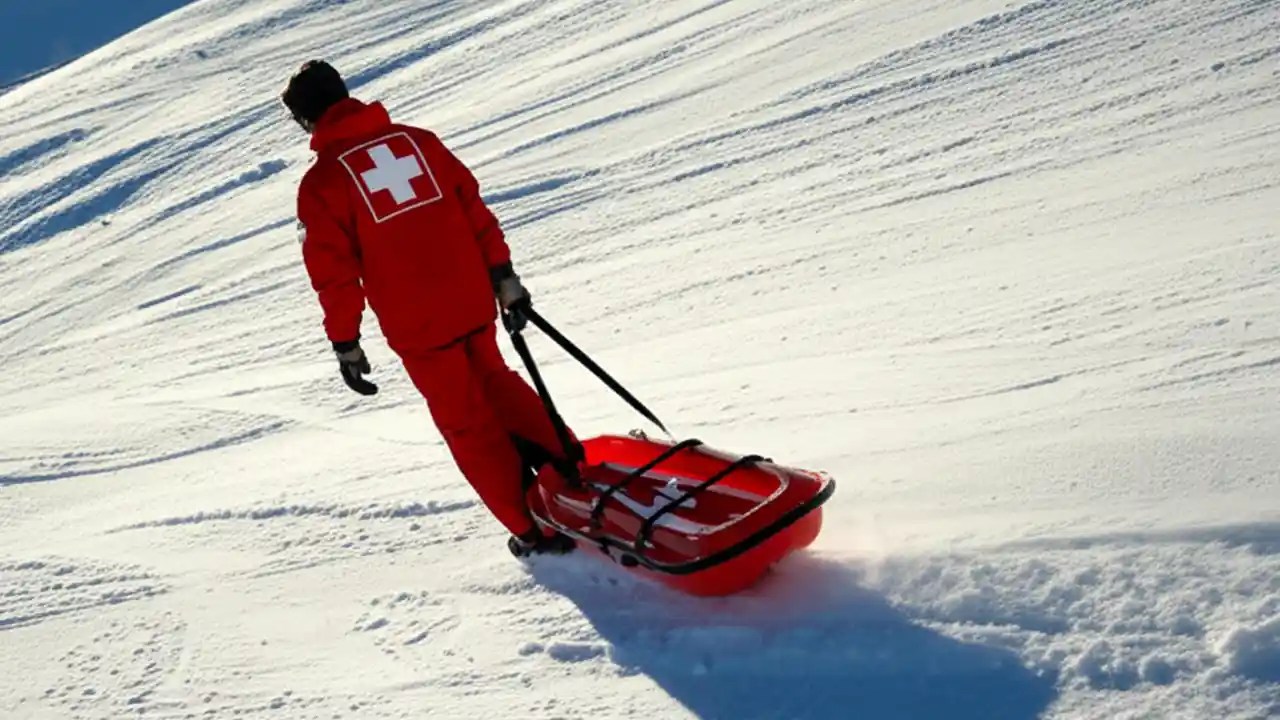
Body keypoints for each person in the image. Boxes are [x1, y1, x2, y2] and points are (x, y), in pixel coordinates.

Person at [281, 60, 575, 557]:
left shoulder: (323, 184)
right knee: (500, 384)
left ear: (307, 120)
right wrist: (504, 277)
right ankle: (573, 478)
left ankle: (533, 531)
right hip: (472, 302)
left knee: (467, 422)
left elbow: (335, 279)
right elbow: (474, 210)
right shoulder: (418, 142)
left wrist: (346, 343)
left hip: (419, 325)